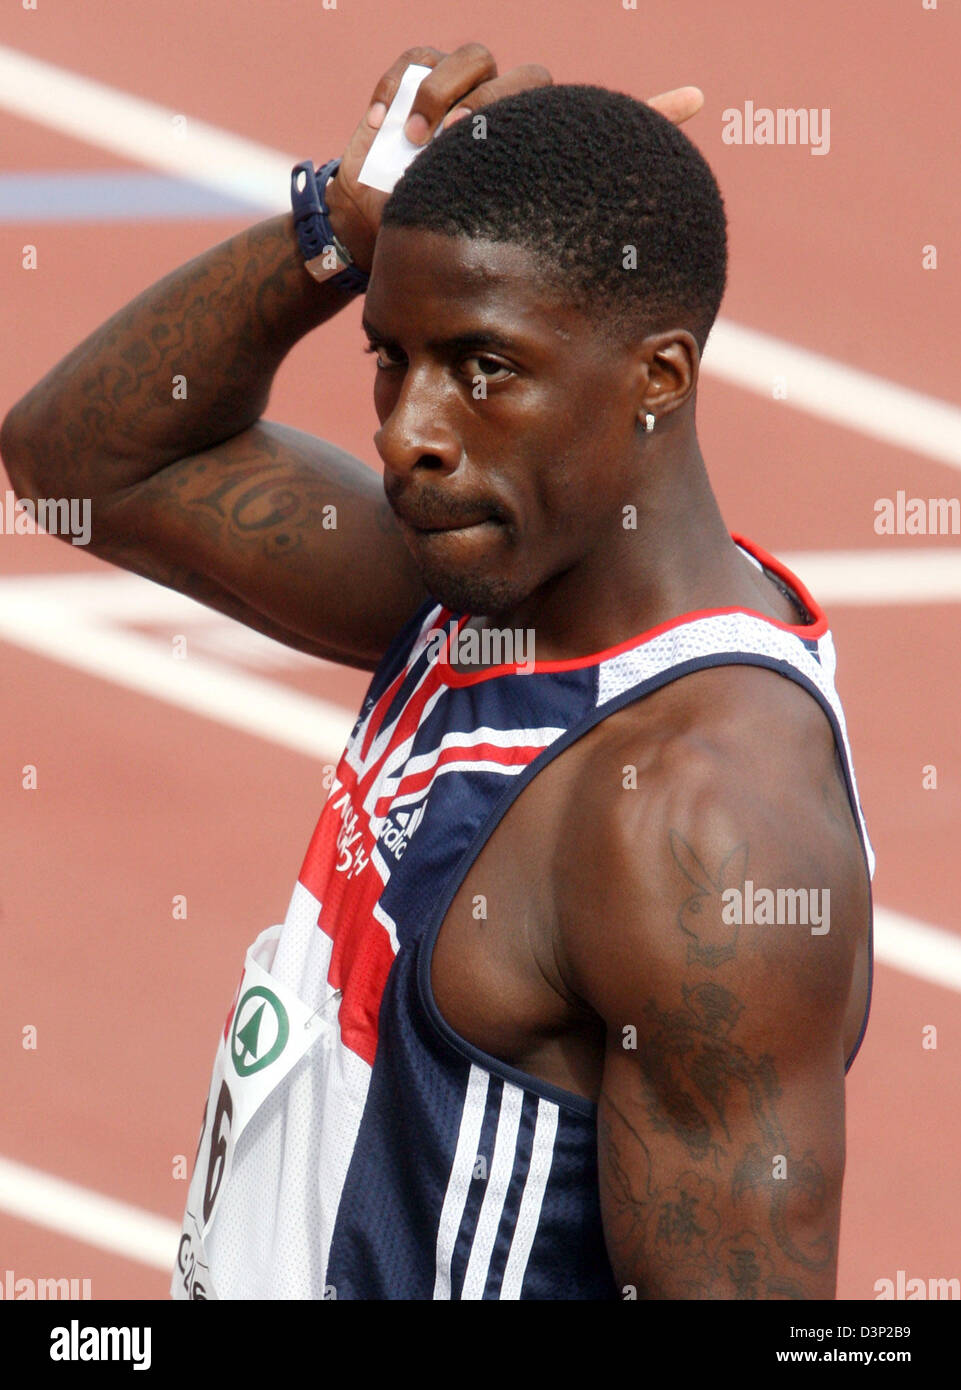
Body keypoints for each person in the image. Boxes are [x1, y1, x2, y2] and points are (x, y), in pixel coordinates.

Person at [0, 43, 873, 1300]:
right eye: (390, 358)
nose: (409, 432)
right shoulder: (474, 584)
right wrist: (337, 224)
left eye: (485, 369)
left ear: (657, 379)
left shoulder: (698, 829)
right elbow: (82, 464)